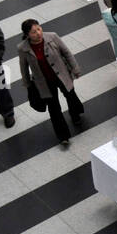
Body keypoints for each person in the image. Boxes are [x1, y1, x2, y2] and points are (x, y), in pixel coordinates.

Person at [18, 19, 84, 147]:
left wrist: (75, 69)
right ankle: (63, 136)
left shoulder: (52, 37)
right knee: (54, 109)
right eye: (33, 32)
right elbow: (23, 67)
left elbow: (66, 52)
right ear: (27, 35)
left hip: (62, 75)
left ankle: (75, 114)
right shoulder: (23, 48)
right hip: (44, 83)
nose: (38, 33)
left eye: (39, 29)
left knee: (70, 96)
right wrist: (27, 84)